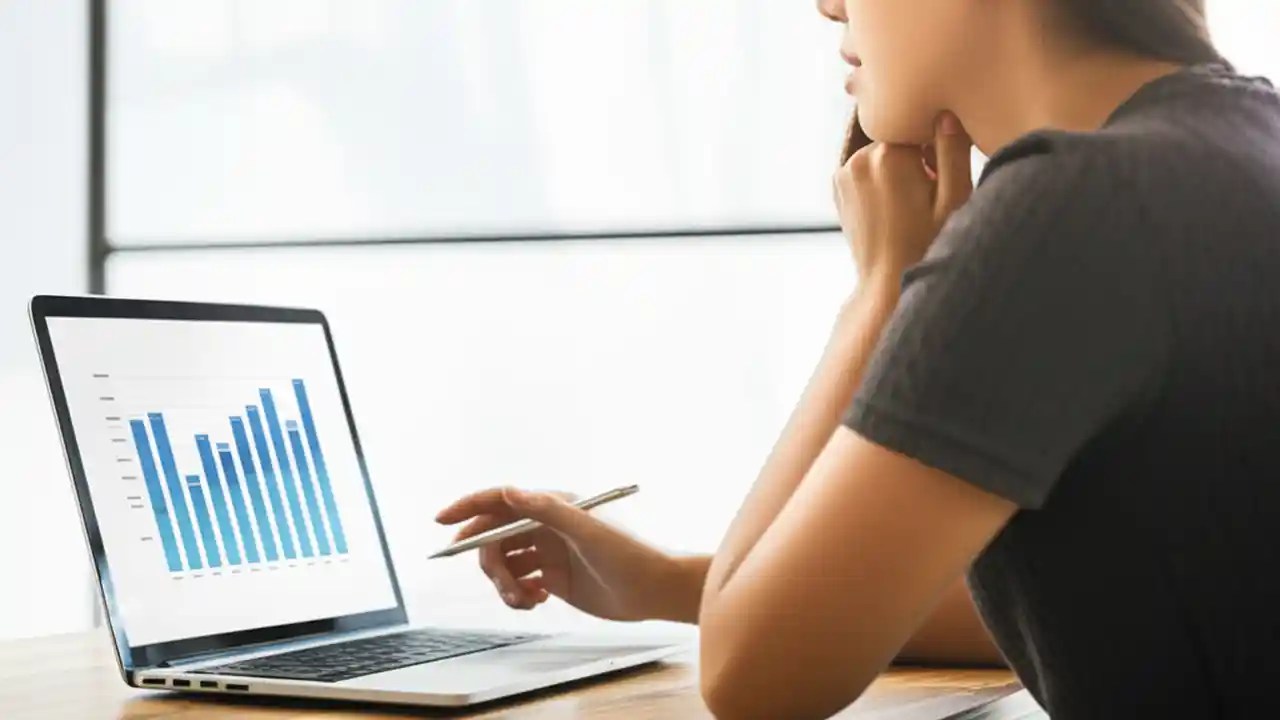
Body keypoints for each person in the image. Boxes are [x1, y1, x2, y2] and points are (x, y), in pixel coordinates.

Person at [436, 0, 1280, 717]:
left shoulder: (1073, 209)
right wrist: (667, 584)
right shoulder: (1237, 146)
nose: (829, 4)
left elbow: (753, 683)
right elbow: (1121, 605)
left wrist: (881, 295)